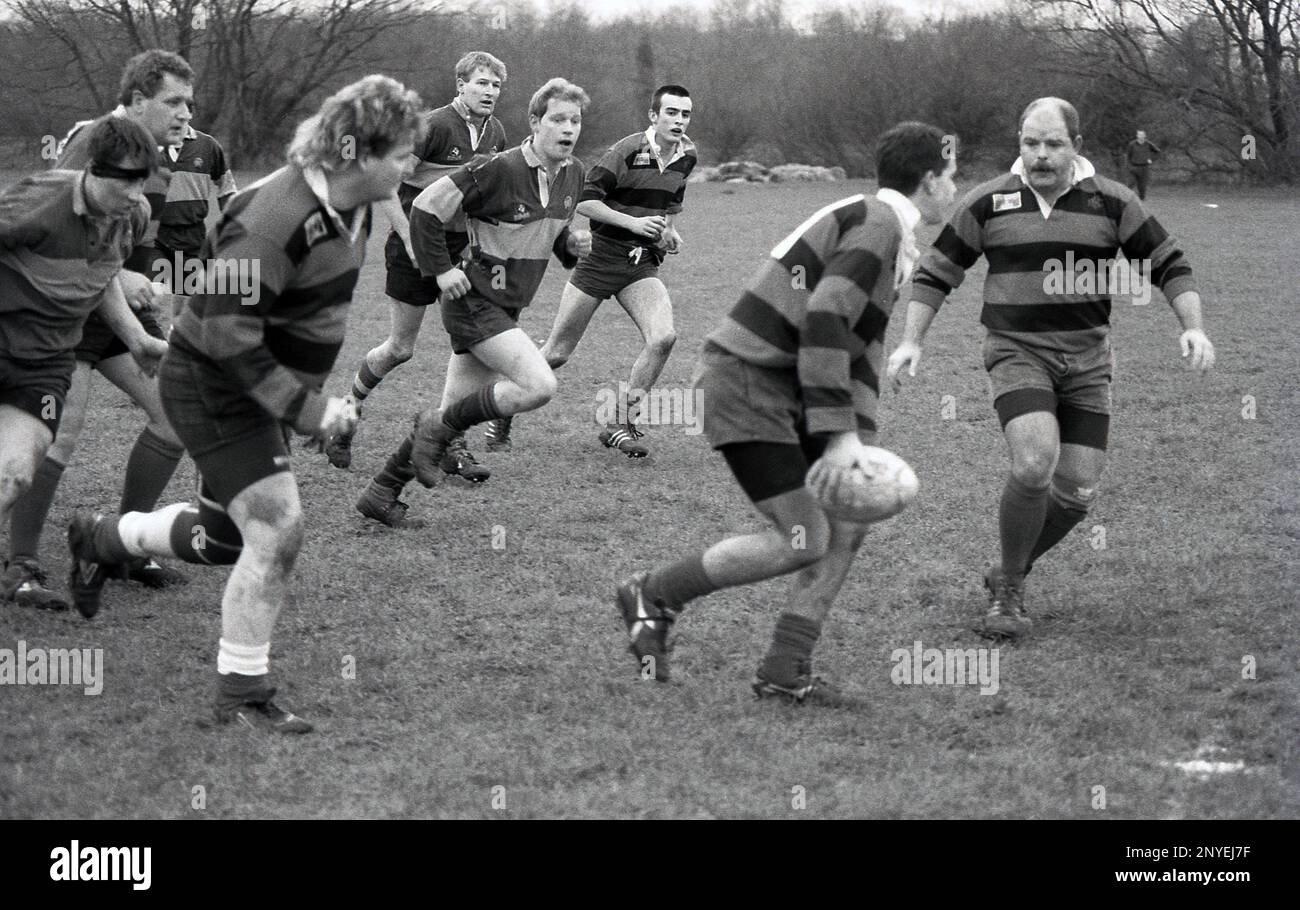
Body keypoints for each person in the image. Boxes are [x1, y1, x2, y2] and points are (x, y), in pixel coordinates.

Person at [65, 75, 424, 734]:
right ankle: (242, 690)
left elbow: (301, 316)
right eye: (400, 153)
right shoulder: (274, 218)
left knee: (223, 541)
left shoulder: (357, 204)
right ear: (351, 150)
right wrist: (309, 412)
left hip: (255, 386)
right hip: (214, 386)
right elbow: (228, 335)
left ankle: (102, 538)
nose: (409, 165)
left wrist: (311, 402)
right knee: (277, 529)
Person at [613, 121, 957, 701]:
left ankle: (784, 668)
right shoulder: (876, 223)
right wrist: (841, 437)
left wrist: (857, 442)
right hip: (748, 382)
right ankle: (654, 594)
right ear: (929, 179)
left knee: (847, 521)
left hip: (787, 386)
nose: (956, 185)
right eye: (952, 174)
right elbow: (825, 320)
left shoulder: (884, 226)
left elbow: (859, 348)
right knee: (803, 536)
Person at [887, 98, 1214, 641]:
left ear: (1076, 147)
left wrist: (1193, 326)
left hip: (1088, 361)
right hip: (1018, 353)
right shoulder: (990, 201)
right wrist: (911, 342)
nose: (1040, 155)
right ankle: (1012, 591)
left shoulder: (1112, 202)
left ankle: (1005, 571)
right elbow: (935, 272)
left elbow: (1169, 262)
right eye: (1030, 143)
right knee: (1035, 461)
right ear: (1019, 143)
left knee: (1078, 491)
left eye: (1053, 144)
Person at [1, 49, 227, 612]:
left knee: (174, 415)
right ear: (136, 100)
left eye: (189, 103)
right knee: (55, 437)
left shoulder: (163, 159)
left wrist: (145, 323)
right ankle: (23, 560)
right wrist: (120, 278)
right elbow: (75, 238)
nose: (184, 112)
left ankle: (120, 542)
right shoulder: (93, 144)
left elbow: (126, 251)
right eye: (172, 101)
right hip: (61, 320)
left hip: (105, 314)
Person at [356, 78, 592, 528]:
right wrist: (441, 270)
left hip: (508, 306)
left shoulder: (574, 174)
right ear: (535, 122)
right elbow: (425, 207)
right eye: (558, 119)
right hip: (473, 301)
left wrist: (571, 245)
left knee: (450, 418)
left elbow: (550, 238)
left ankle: (382, 491)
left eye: (575, 121)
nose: (568, 129)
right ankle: (431, 432)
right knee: (539, 385)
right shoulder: (496, 169)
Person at [326, 51, 509, 481]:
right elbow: (386, 185)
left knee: (471, 345)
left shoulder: (497, 133)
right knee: (400, 349)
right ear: (460, 83)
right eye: (481, 82)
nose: (489, 92)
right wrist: (410, 237)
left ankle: (450, 442)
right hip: (412, 250)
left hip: (463, 254)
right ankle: (345, 416)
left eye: (496, 85)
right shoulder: (431, 126)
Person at [0, 117, 168, 568]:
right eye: (127, 181)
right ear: (94, 169)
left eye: (142, 182)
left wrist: (135, 336)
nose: (136, 193)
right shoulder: (39, 200)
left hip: (45, 365)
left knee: (13, 477)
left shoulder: (131, 214)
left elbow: (103, 270)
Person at [502, 84, 697, 458]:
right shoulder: (626, 151)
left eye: (685, 114)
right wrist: (633, 223)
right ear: (654, 116)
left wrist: (669, 230)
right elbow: (586, 202)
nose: (679, 120)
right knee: (558, 352)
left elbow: (674, 197)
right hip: (601, 258)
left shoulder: (688, 153)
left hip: (641, 264)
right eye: (671, 113)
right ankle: (505, 407)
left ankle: (620, 423)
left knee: (663, 338)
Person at [1125, 129, 1160, 200]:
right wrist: (1129, 166)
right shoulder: (1132, 144)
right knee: (1130, 184)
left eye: (1142, 135)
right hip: (1134, 167)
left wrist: (1151, 159)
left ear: (1144, 136)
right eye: (1139, 134)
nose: (1140, 136)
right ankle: (1125, 198)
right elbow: (1128, 156)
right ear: (1137, 135)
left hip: (1144, 167)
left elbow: (1158, 152)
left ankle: (1141, 198)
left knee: (1142, 186)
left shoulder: (1148, 144)